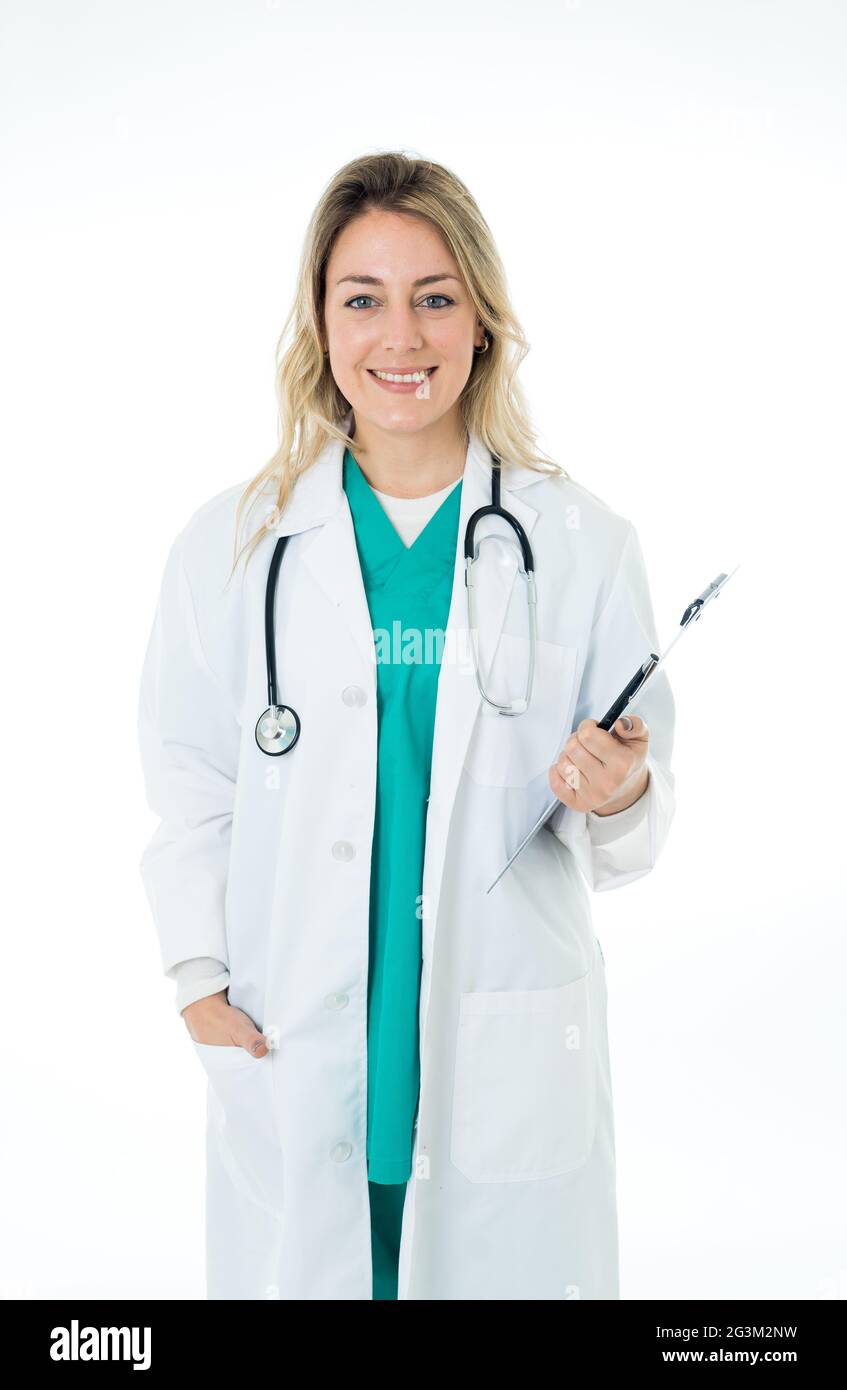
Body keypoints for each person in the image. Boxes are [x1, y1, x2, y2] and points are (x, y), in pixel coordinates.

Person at [137, 151, 676, 1301]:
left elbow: (633, 832)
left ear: (480, 319)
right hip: (296, 1037)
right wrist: (195, 973)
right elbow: (188, 779)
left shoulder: (580, 544)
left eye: (435, 296)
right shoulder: (234, 545)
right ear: (320, 323)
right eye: (362, 299)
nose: (402, 336)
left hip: (497, 1044)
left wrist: (618, 790)